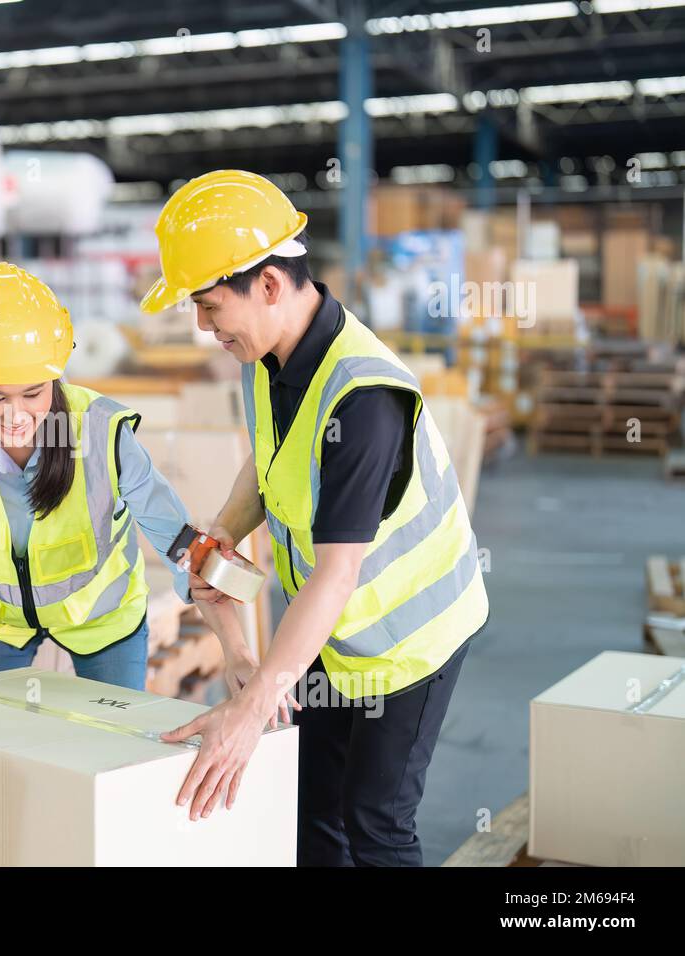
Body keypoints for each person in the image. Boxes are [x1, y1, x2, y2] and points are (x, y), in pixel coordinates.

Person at [0, 262, 289, 776]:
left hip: (102, 621)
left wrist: (237, 650)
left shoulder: (103, 434)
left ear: (56, 375)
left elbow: (184, 549)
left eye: (33, 394)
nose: (16, 416)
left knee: (114, 760)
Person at [146, 170, 489, 864]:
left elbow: (337, 575)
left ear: (269, 285)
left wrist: (251, 704)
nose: (204, 327)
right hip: (335, 634)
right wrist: (224, 532)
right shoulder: (269, 353)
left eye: (211, 307)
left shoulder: (363, 398)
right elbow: (272, 464)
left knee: (377, 823)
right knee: (313, 810)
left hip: (410, 641)